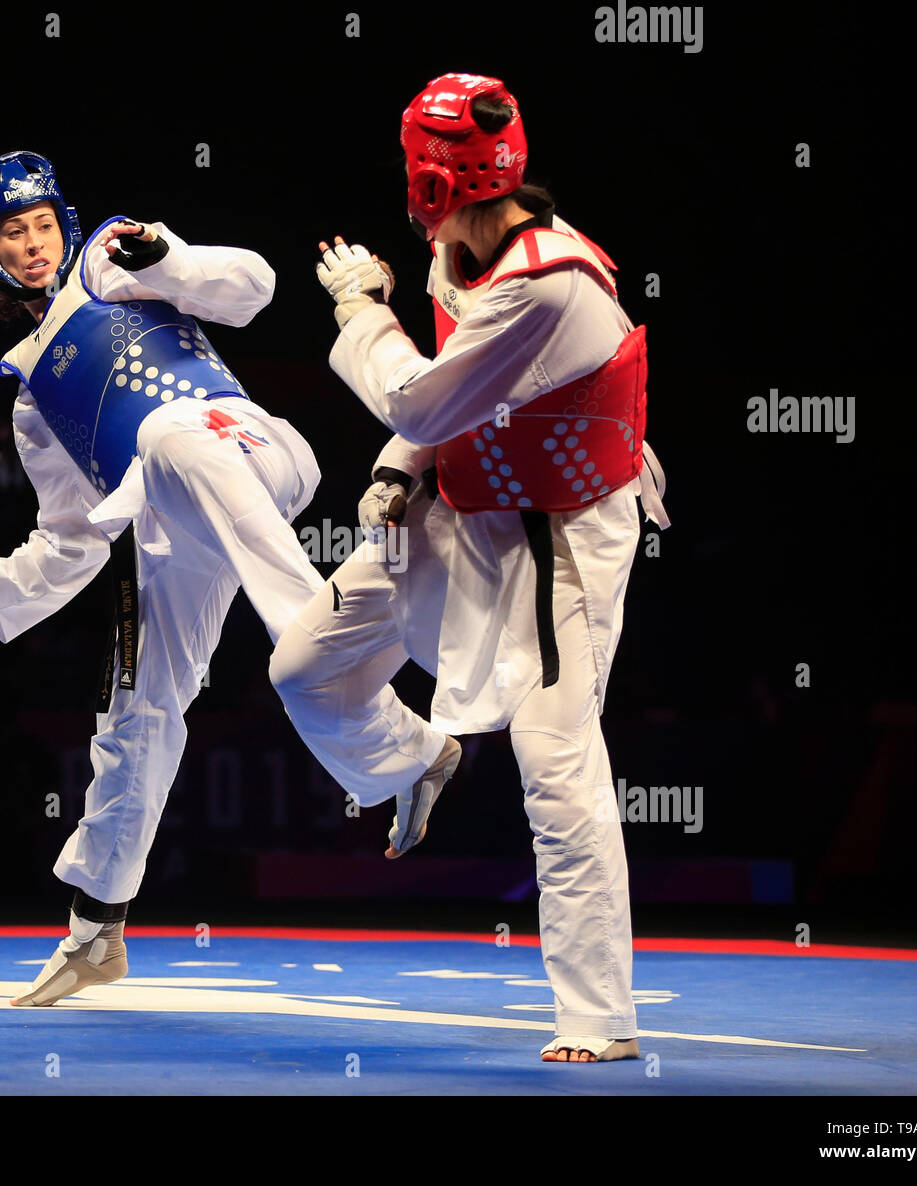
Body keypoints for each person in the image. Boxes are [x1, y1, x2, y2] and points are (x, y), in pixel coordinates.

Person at [269, 74, 669, 1062]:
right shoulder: (460, 253)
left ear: (439, 181)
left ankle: (597, 1015)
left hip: (561, 538)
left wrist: (360, 308)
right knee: (303, 669)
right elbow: (447, 411)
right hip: (460, 511)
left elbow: (414, 397)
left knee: (555, 759)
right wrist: (397, 474)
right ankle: (416, 758)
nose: (408, 197)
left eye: (415, 175)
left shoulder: (545, 281)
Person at [0, 149, 338, 1007]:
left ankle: (340, 658)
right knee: (138, 708)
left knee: (172, 439)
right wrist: (3, 580)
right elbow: (74, 538)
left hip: (238, 443)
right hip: (168, 515)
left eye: (43, 224)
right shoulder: (29, 398)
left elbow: (253, 286)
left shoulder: (108, 264)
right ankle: (97, 931)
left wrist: (169, 259)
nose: (34, 244)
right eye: (14, 233)